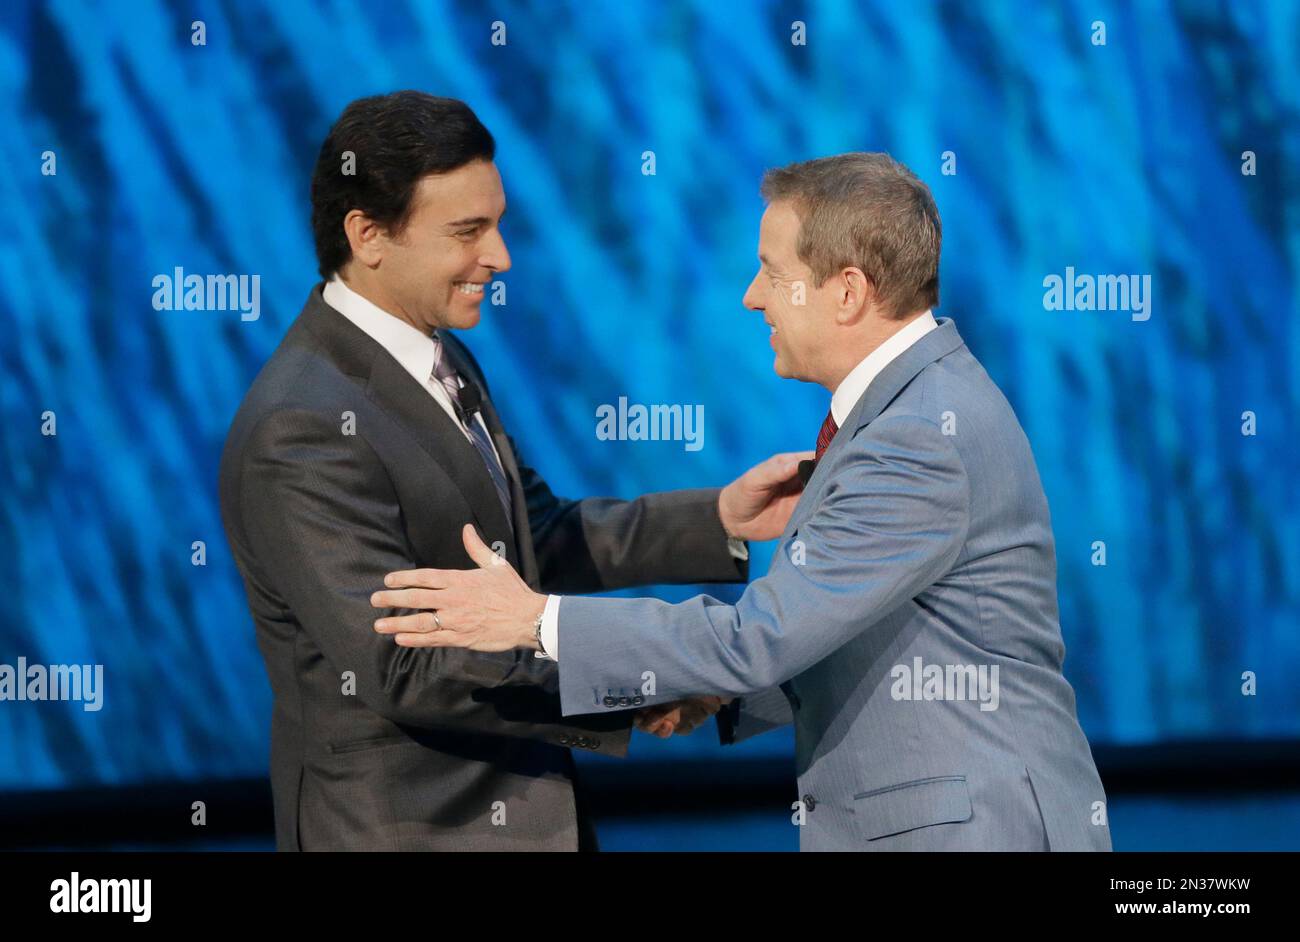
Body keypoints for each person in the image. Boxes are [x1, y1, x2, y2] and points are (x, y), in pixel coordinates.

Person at [371, 152, 1113, 852]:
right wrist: (717, 695)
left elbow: (763, 634)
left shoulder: (915, 437)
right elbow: (859, 622)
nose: (752, 296)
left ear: (847, 291)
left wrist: (536, 619)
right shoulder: (912, 407)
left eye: (771, 271)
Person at [219, 91, 801, 851]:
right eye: (469, 232)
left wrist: (718, 517)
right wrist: (640, 679)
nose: (500, 257)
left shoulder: (441, 357)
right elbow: (403, 668)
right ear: (368, 236)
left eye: (497, 224)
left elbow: (537, 540)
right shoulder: (301, 426)